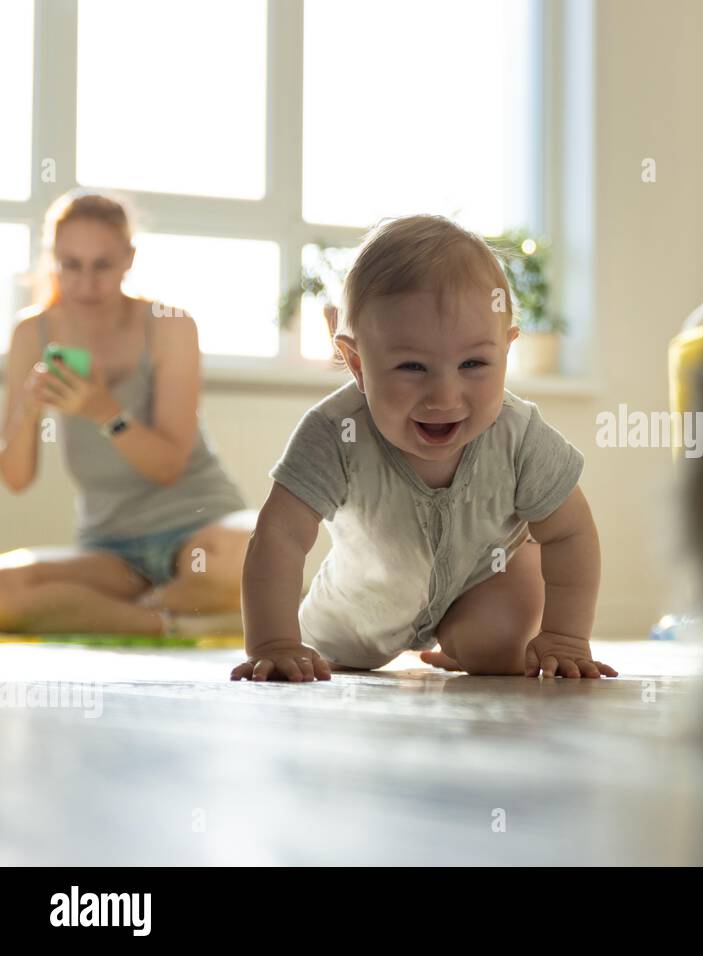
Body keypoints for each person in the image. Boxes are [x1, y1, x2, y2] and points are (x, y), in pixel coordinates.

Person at [230, 214, 616, 681]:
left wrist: (566, 636)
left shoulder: (519, 435)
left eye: (474, 363)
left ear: (507, 350)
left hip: (488, 577)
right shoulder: (335, 433)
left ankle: (472, 631)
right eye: (412, 367)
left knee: (499, 654)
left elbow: (570, 532)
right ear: (356, 362)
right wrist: (274, 642)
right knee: (330, 654)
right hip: (366, 594)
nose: (445, 397)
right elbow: (279, 537)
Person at [0, 189, 254, 635]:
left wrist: (103, 410)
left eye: (102, 264)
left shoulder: (170, 324)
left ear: (128, 258)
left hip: (200, 527)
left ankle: (126, 613)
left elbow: (168, 467)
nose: (86, 283)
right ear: (52, 260)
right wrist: (28, 406)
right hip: (111, 550)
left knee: (249, 553)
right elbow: (17, 479)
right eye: (70, 264)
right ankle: (172, 620)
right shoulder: (31, 332)